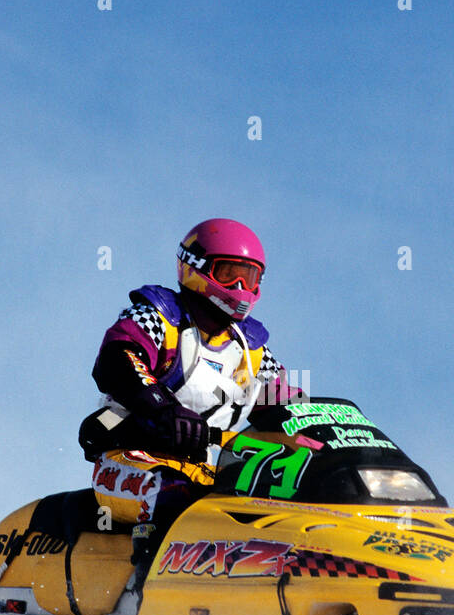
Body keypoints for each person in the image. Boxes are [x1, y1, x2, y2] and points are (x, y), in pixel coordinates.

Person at [79, 218, 302, 588]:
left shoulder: (251, 349)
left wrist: (321, 434)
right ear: (194, 267)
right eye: (229, 274)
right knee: (173, 497)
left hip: (207, 472)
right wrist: (163, 409)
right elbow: (119, 359)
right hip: (130, 461)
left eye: (250, 278)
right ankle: (146, 599)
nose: (241, 288)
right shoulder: (160, 316)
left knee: (278, 512)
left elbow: (289, 407)